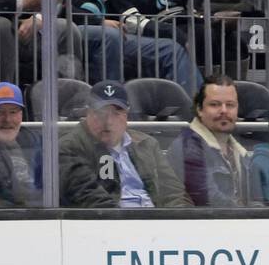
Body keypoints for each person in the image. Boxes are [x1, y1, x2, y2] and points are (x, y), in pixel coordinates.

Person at [59, 79, 189, 207]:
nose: (108, 121)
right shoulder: (70, 147)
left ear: (126, 114)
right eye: (101, 113)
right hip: (112, 223)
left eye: (116, 113)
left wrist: (181, 218)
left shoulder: (147, 144)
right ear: (88, 113)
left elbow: (174, 192)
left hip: (156, 221)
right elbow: (90, 199)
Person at [181, 72, 248, 206]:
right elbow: (209, 202)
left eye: (230, 105)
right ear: (199, 109)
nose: (224, 111)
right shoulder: (188, 147)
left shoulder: (239, 151)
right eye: (215, 104)